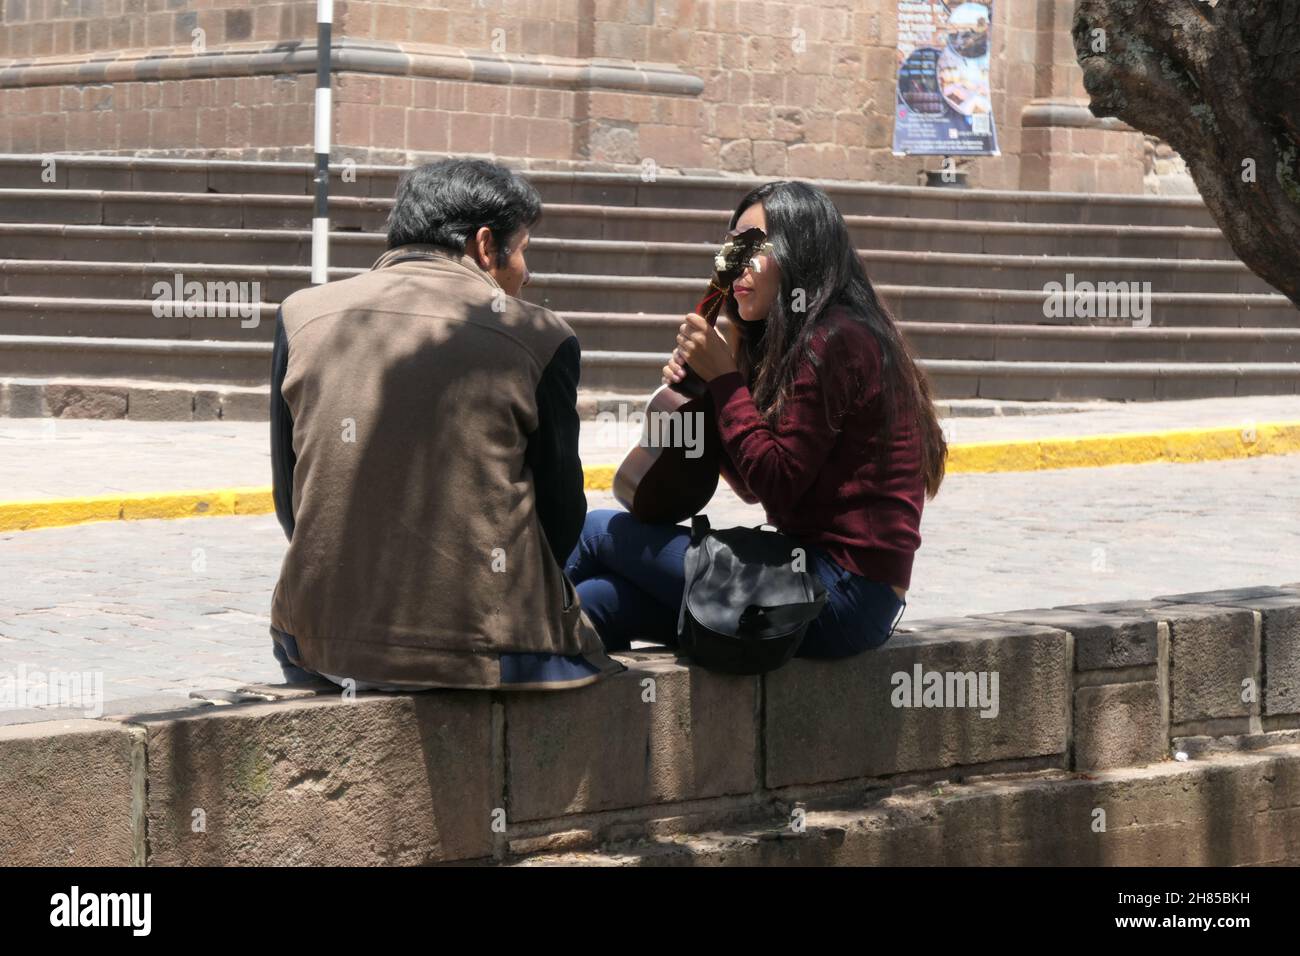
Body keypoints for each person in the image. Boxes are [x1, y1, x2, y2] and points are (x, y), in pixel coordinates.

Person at [268, 158, 623, 691]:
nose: (527, 272)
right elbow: (562, 519)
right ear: (486, 245)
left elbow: (291, 501)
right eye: (523, 248)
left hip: (313, 643)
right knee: (614, 595)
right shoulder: (542, 335)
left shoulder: (301, 315)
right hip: (498, 651)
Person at [566, 180, 947, 658]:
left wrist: (726, 380)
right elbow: (754, 481)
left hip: (841, 593)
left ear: (799, 251)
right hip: (810, 585)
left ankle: (506, 647)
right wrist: (705, 393)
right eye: (731, 248)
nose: (735, 265)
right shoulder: (807, 338)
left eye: (754, 247)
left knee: (598, 532)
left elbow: (776, 483)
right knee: (603, 600)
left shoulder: (837, 339)